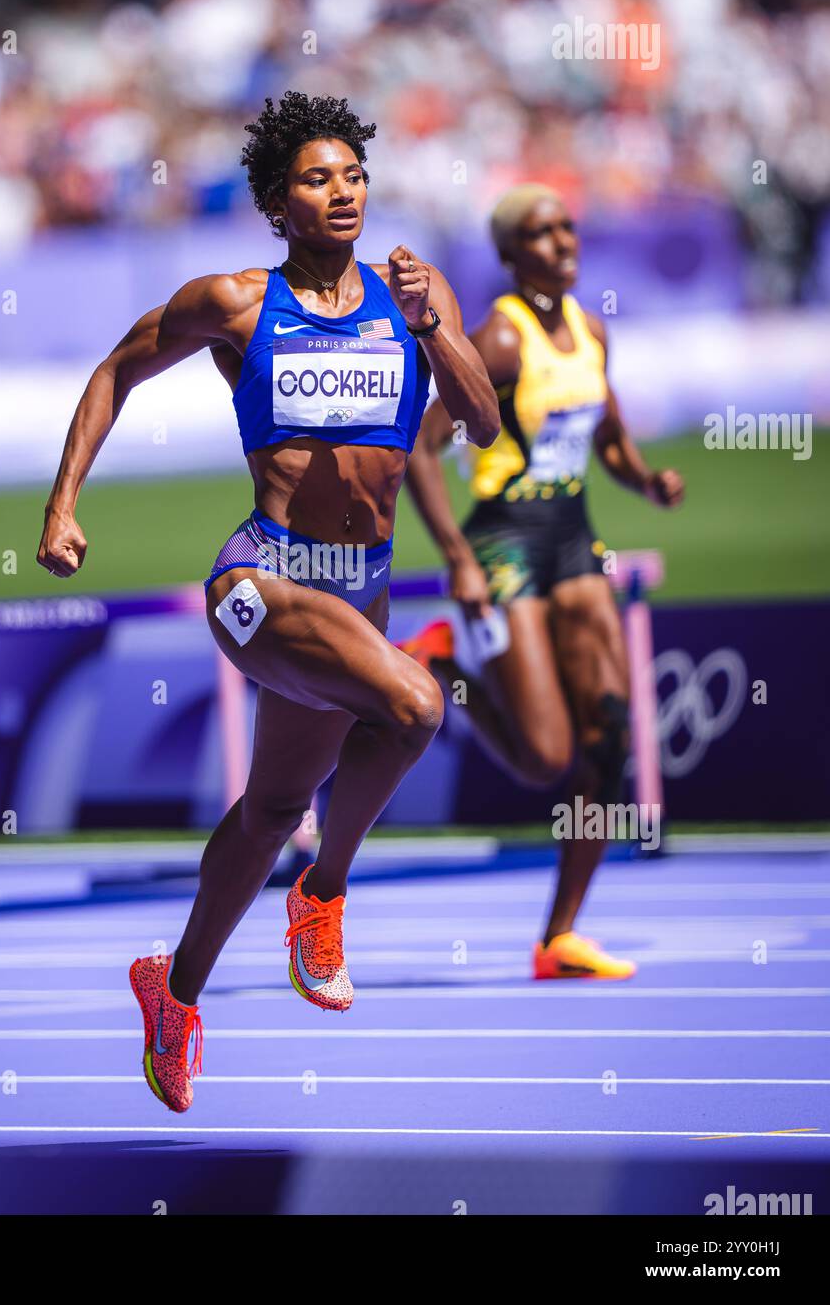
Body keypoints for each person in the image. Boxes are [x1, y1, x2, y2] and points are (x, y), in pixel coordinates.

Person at [36, 92, 498, 1111]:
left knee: (274, 807)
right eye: (314, 180)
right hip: (263, 575)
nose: (340, 192)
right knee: (415, 705)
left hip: (359, 590)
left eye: (352, 176)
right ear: (275, 204)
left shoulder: (411, 296)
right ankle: (322, 897)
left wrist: (433, 328)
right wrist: (63, 503)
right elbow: (119, 367)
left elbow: (480, 417)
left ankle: (174, 993)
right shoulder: (236, 302)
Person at [400, 184, 684, 980]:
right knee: (541, 759)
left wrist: (646, 480)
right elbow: (423, 449)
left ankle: (557, 936)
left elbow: (612, 437)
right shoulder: (496, 339)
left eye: (567, 227)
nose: (562, 241)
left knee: (608, 741)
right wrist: (456, 556)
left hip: (573, 539)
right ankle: (443, 662)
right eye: (540, 232)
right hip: (505, 545)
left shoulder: (590, 332)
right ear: (508, 254)